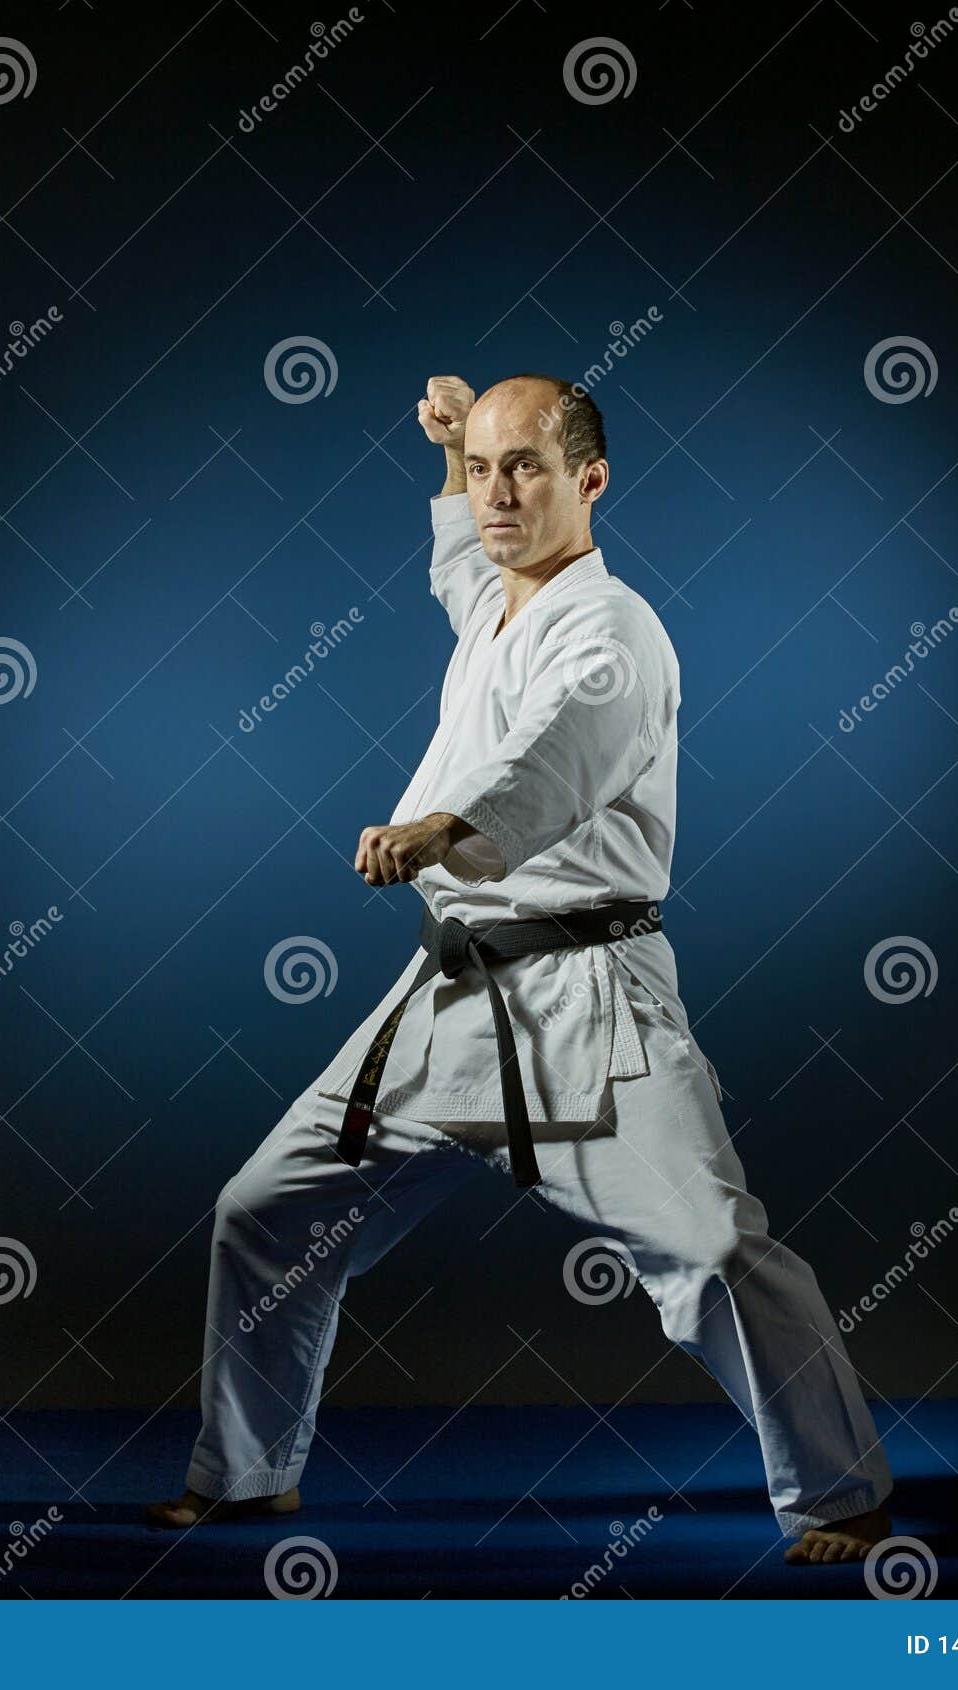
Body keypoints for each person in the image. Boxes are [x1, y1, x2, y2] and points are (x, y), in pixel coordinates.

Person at [145, 374, 895, 1566]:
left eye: (524, 467)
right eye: (484, 470)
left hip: (587, 994)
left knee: (708, 1249)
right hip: (449, 998)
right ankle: (246, 1476)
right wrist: (450, 455)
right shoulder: (502, 603)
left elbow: (563, 747)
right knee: (264, 1215)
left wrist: (443, 828)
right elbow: (461, 567)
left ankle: (838, 1489)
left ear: (590, 480)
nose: (497, 493)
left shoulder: (614, 631)